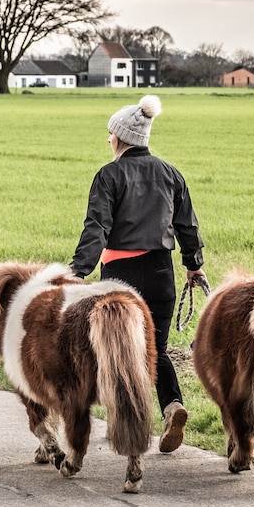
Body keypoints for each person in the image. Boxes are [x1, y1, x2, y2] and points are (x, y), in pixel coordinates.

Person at [70, 94, 206, 454]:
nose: (108, 139)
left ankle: (124, 422)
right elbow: (187, 225)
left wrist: (79, 270)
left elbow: (97, 226)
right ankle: (172, 406)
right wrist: (193, 265)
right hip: (161, 273)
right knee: (155, 349)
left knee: (117, 353)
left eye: (110, 134)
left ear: (120, 138)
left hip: (121, 276)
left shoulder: (109, 174)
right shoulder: (171, 173)